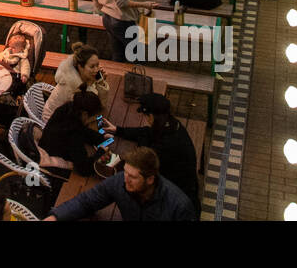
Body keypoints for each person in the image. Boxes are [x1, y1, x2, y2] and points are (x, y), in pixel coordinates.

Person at [46, 147, 196, 221]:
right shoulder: (120, 182)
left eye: (133, 176)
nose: (126, 179)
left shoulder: (179, 206)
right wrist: (55, 217)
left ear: (150, 179)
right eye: (125, 172)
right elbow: (87, 201)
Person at [110, 93, 200, 213]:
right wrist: (117, 130)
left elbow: (143, 157)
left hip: (177, 200)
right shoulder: (171, 124)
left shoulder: (165, 145)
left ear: (151, 117)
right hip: (186, 186)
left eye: (146, 116)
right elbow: (147, 133)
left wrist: (114, 160)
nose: (146, 120)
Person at [38, 90, 109, 178]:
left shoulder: (68, 108)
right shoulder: (73, 135)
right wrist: (101, 152)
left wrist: (101, 138)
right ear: (85, 114)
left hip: (49, 142)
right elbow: (84, 169)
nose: (94, 120)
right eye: (93, 118)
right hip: (57, 159)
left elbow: (82, 129)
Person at [41, 42, 109, 122]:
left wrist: (100, 82)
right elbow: (95, 109)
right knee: (101, 129)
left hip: (69, 119)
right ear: (80, 67)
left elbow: (98, 107)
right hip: (54, 123)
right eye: (92, 66)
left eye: (97, 65)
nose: (97, 70)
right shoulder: (73, 88)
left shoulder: (85, 77)